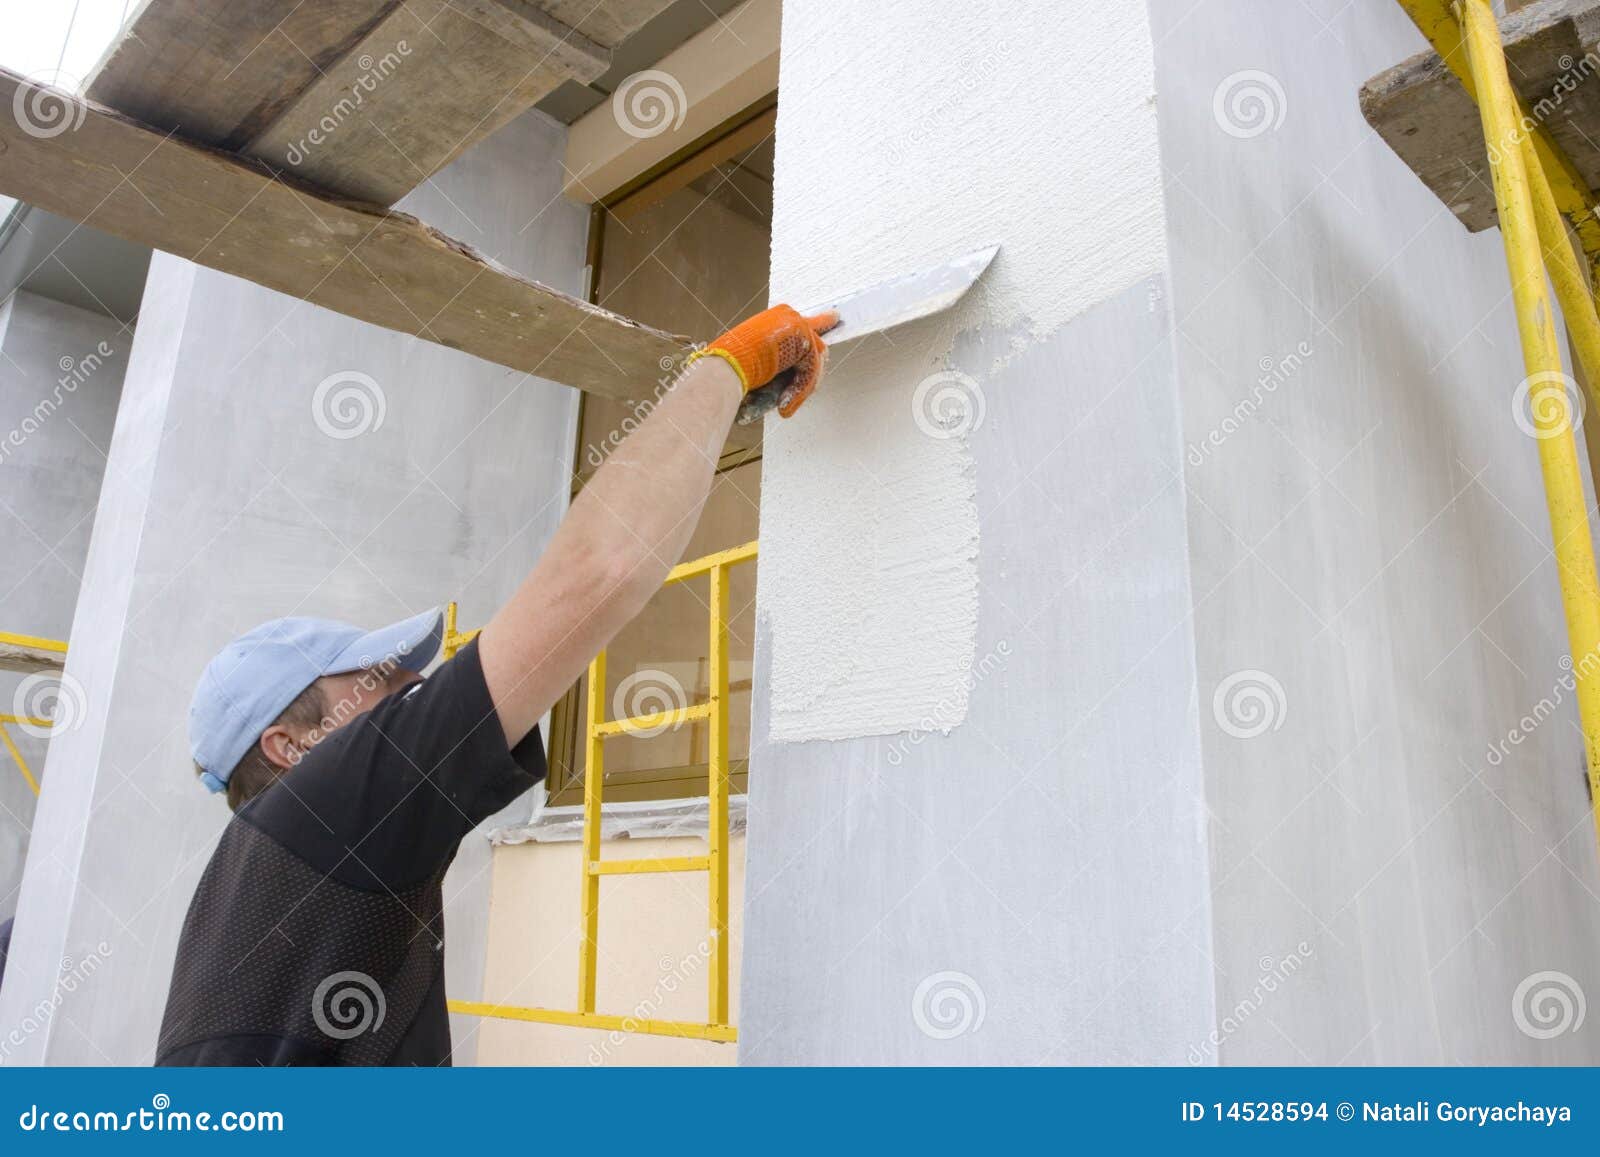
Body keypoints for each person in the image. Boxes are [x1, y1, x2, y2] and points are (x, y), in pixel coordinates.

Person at [155, 305, 838, 1065]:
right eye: (374, 678)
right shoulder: (331, 803)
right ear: (290, 744)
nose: (412, 681)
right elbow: (600, 569)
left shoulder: (260, 869)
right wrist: (728, 366)